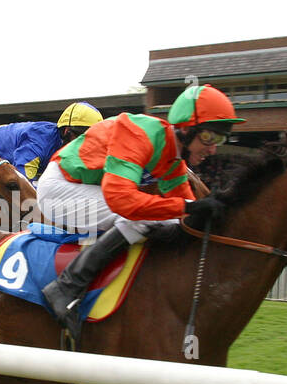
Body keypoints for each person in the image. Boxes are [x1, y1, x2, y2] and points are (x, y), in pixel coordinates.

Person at [38, 84, 242, 338]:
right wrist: (189, 206)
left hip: (82, 188)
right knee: (142, 217)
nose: (213, 149)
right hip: (59, 189)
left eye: (220, 140)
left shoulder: (171, 157)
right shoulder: (139, 132)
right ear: (187, 129)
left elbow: (187, 216)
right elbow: (121, 200)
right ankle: (66, 287)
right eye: (209, 137)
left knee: (168, 221)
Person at [0, 102, 102, 182]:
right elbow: (22, 177)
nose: (85, 145)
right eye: (83, 138)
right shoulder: (40, 141)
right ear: (67, 131)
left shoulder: (64, 144)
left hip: (7, 160)